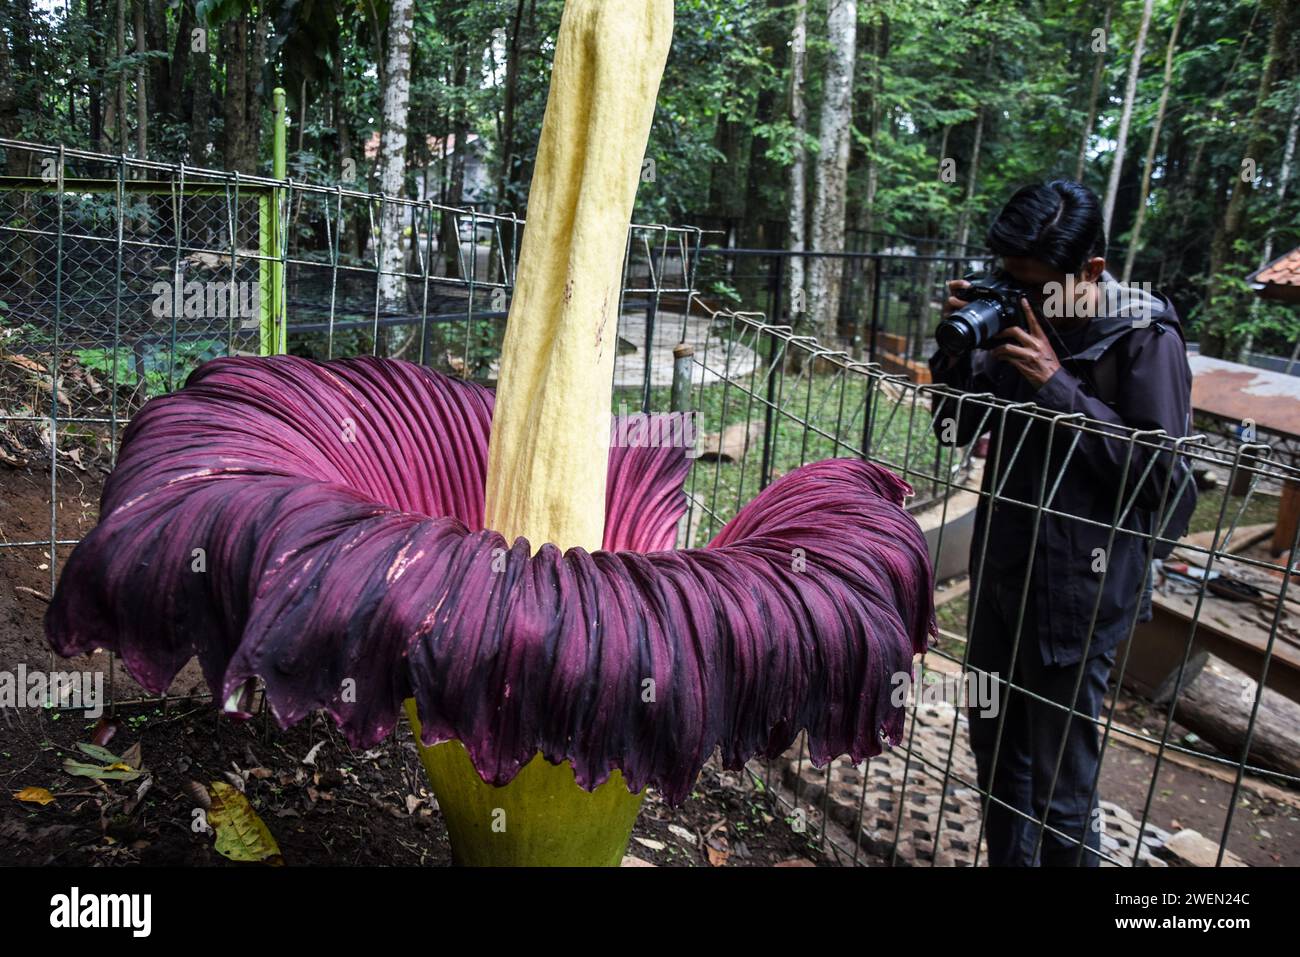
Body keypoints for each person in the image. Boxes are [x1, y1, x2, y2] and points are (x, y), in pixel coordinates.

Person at [929, 180, 1195, 866]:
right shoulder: (1018, 316)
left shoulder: (1143, 336)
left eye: (1038, 285)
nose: (1022, 298)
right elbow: (956, 428)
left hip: (1079, 595)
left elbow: (1158, 478)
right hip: (1002, 573)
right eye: (1010, 279)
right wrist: (955, 354)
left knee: (1061, 788)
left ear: (1091, 271)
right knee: (996, 756)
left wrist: (1058, 387)